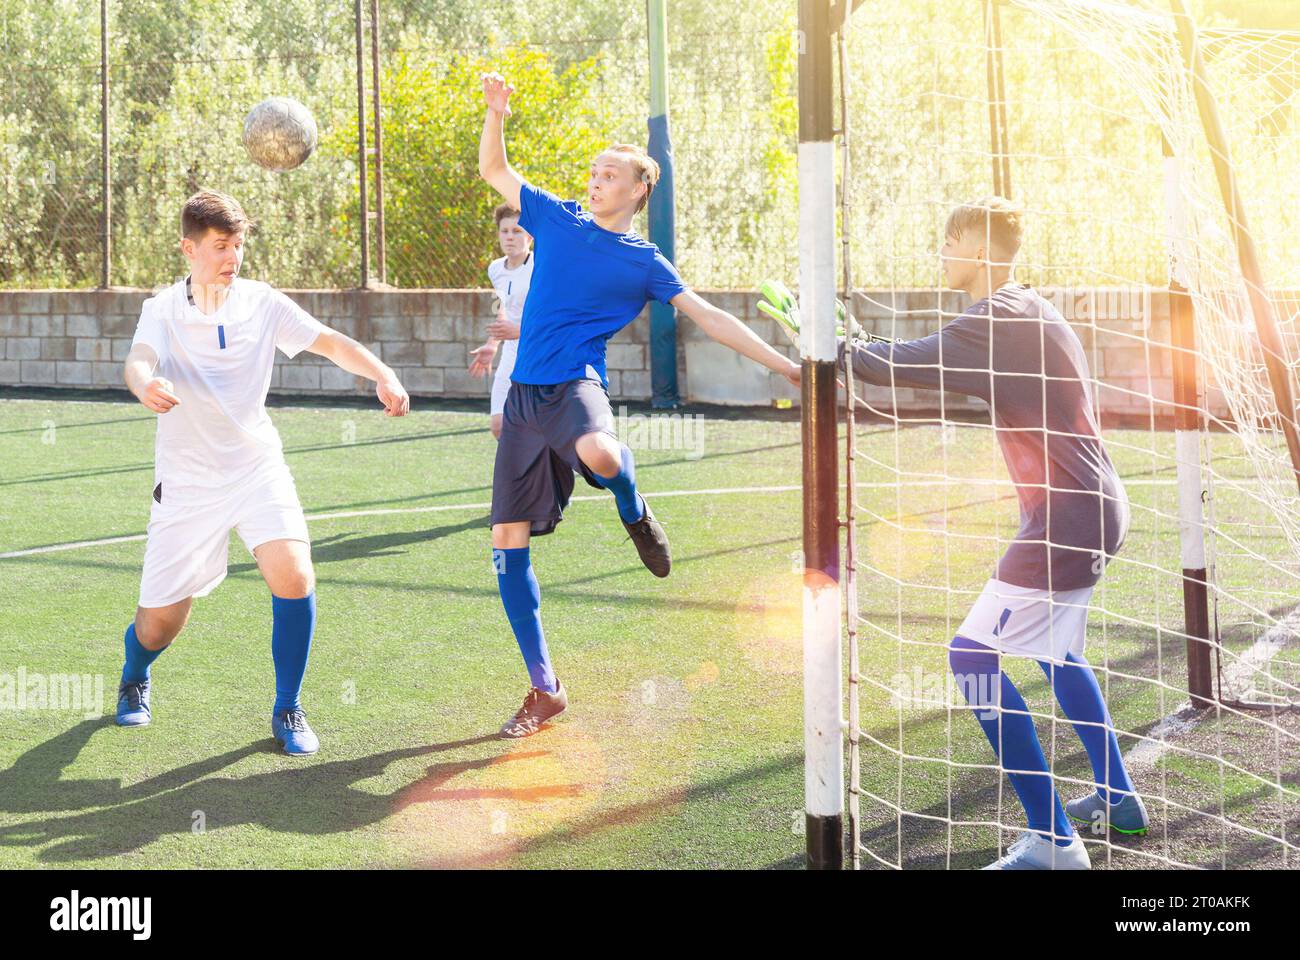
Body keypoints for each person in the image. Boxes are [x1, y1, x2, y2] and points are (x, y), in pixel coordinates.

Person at [477, 71, 800, 738]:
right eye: (592, 172)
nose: (595, 182)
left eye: (609, 175)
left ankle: (633, 506)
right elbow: (493, 167)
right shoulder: (557, 217)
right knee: (506, 546)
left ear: (638, 189)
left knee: (599, 450)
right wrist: (496, 111)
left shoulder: (643, 260)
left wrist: (786, 366)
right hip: (522, 401)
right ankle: (546, 689)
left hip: (574, 386)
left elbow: (710, 317)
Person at [838, 197, 1146, 869]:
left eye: (950, 239)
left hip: (1067, 516)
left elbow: (899, 363)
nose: (943, 251)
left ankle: (1054, 841)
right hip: (1094, 506)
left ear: (978, 246)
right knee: (1060, 653)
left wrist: (833, 347)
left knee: (971, 659)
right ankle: (1119, 798)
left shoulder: (995, 318)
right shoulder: (1031, 307)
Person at [116, 189, 410, 756]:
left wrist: (382, 373)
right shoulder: (162, 310)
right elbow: (139, 359)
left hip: (256, 468)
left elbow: (327, 342)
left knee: (294, 574)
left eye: (239, 246)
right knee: (159, 625)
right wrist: (144, 384)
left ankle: (287, 707)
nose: (233, 257)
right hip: (188, 482)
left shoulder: (262, 302)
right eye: (222, 246)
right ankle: (134, 673)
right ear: (189, 248)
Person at [468, 202, 533, 439]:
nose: (509, 237)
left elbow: (555, 318)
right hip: (512, 352)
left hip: (541, 352)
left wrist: (520, 331)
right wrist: (492, 344)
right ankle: (517, 476)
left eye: (516, 231)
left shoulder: (541, 268)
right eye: (504, 231)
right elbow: (505, 307)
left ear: (529, 236)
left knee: (541, 428)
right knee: (499, 426)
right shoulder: (495, 269)